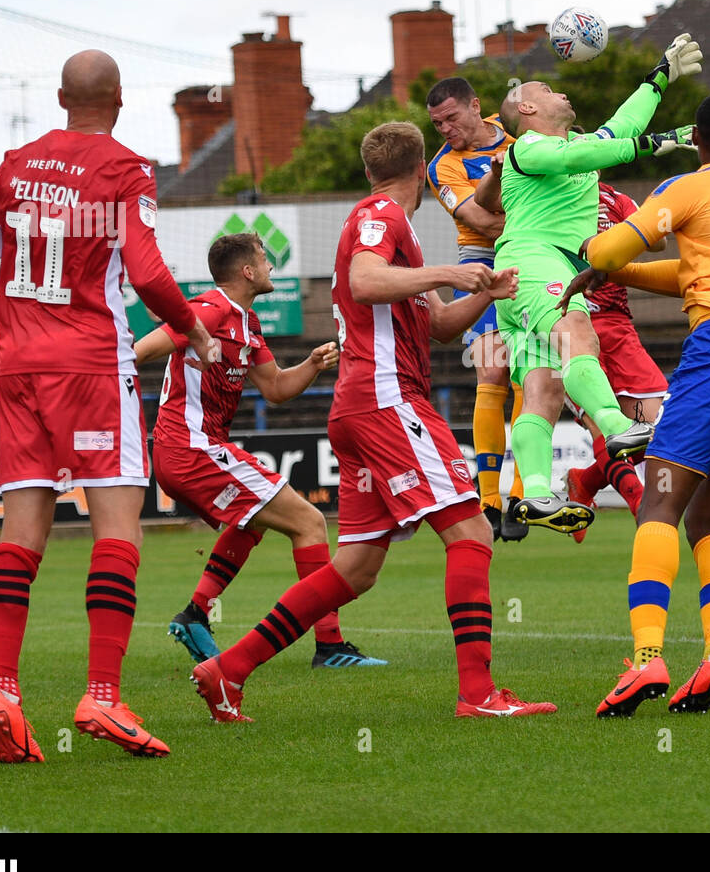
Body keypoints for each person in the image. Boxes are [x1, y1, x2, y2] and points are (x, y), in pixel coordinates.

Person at [190, 121, 555, 721]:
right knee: (471, 532)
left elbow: (436, 325)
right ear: (423, 170)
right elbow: (364, 282)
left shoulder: (394, 227)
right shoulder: (379, 214)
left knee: (355, 569)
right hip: (388, 402)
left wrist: (487, 293)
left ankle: (228, 670)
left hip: (362, 407)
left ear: (368, 168)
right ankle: (478, 694)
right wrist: (448, 271)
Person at [0, 49, 221, 762]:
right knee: (117, 527)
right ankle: (102, 694)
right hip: (91, 366)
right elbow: (146, 271)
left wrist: (13, 325)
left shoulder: (15, 163)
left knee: (20, 533)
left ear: (58, 96)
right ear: (121, 98)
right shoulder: (126, 169)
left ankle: (2, 690)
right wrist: (193, 329)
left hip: (21, 367)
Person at [559, 91, 710, 718]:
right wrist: (624, 275)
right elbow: (692, 270)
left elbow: (614, 250)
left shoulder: (691, 186)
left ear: (697, 138)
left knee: (659, 504)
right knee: (709, 520)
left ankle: (646, 661)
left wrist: (593, 258)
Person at [134, 232, 386, 670]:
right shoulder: (211, 309)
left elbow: (274, 389)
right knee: (308, 521)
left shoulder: (247, 323)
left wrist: (310, 365)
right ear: (248, 272)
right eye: (265, 260)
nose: (271, 267)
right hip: (191, 446)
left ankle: (196, 614)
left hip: (195, 449)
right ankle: (330, 645)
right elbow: (148, 347)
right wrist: (122, 362)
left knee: (253, 523)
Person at [491, 33, 704, 534]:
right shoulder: (529, 147)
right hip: (536, 261)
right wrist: (657, 143)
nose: (561, 94)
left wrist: (660, 76)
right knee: (578, 333)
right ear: (526, 106)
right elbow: (573, 159)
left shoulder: (573, 146)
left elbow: (620, 127)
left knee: (543, 390)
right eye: (548, 90)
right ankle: (618, 428)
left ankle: (538, 494)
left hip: (528, 276)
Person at [425, 77, 526, 542]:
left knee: (532, 373)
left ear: (476, 106)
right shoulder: (442, 167)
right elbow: (479, 223)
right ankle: (488, 498)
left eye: (451, 118)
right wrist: (525, 217)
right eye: (436, 123)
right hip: (481, 265)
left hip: (530, 257)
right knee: (492, 371)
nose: (445, 128)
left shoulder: (521, 136)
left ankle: (523, 496)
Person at [561, 179, 672, 543]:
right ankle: (640, 504)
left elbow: (660, 242)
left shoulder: (616, 199)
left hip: (617, 324)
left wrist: (631, 232)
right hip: (567, 322)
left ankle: (586, 479)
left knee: (657, 429)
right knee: (603, 425)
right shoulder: (542, 198)